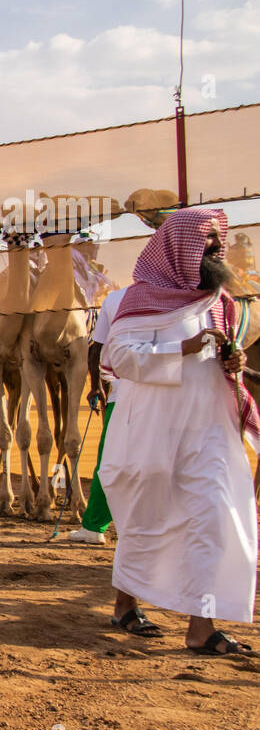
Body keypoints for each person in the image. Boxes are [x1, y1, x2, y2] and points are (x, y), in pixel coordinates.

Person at [99, 207, 257, 655]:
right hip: (151, 432)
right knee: (146, 522)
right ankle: (125, 603)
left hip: (208, 431)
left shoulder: (221, 303)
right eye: (204, 240)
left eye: (215, 239)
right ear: (177, 246)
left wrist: (234, 362)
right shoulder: (139, 299)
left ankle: (201, 626)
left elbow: (220, 360)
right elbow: (120, 360)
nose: (214, 248)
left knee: (212, 517)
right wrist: (182, 348)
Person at [68, 284, 127, 546]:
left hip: (123, 394)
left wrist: (96, 386)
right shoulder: (189, 301)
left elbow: (96, 349)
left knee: (110, 462)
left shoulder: (117, 299)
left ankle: (94, 526)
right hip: (166, 398)